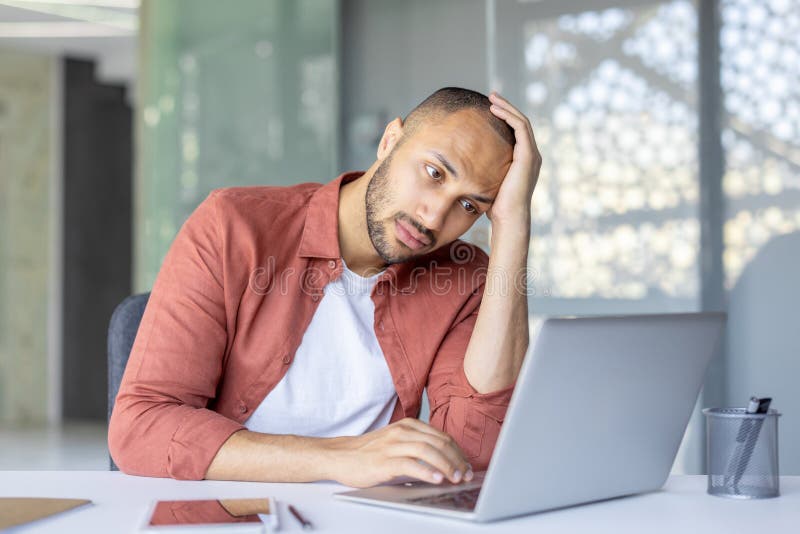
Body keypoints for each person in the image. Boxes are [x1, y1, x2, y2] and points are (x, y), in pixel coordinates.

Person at [109, 87, 541, 488]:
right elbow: (141, 426)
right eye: (433, 173)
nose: (433, 217)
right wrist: (340, 458)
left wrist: (513, 225)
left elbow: (475, 453)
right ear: (391, 140)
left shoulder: (464, 278)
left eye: (469, 205)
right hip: (229, 512)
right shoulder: (232, 226)